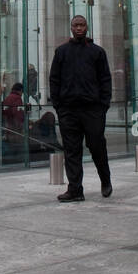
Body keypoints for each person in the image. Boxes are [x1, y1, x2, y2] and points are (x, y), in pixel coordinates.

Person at [49, 15, 113, 202]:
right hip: (68, 110)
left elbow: (105, 80)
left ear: (87, 27)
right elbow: (54, 80)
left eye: (82, 25)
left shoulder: (97, 52)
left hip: (93, 109)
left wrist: (103, 105)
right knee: (71, 150)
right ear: (71, 28)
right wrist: (58, 106)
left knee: (97, 146)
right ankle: (75, 189)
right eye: (75, 25)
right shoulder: (61, 52)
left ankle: (105, 180)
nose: (79, 28)